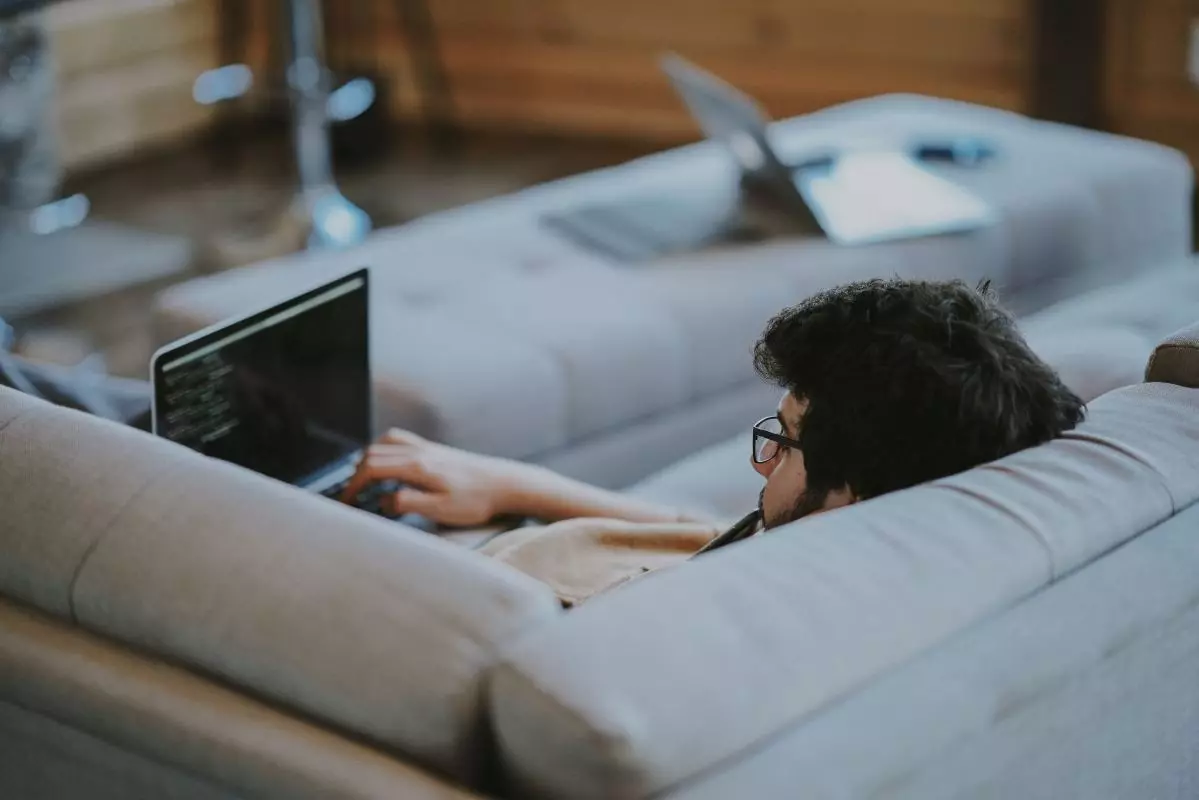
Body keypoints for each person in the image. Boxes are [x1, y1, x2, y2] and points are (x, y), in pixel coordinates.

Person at [341, 278, 1086, 605]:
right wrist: (510, 482)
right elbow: (710, 536)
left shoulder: (674, 637)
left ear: (850, 493)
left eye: (784, 443)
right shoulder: (916, 519)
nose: (764, 465)